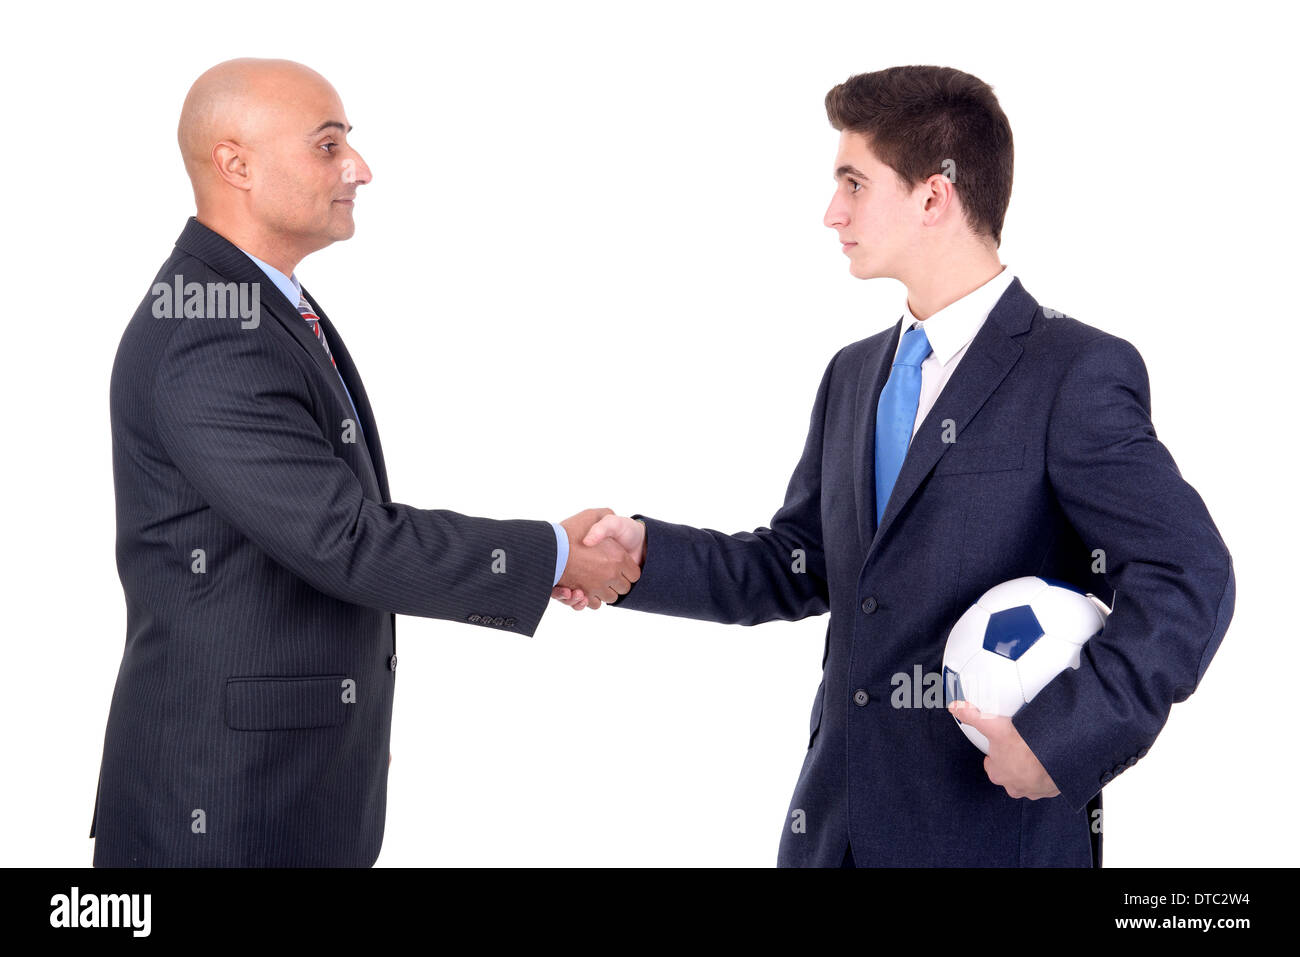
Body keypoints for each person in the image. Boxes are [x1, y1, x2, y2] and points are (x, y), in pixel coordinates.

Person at [553, 65, 1235, 867]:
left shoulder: (1072, 372)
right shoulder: (854, 373)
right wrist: (646, 553)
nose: (830, 212)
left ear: (933, 196)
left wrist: (1062, 738)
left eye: (853, 182)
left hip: (987, 834)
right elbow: (798, 563)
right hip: (834, 829)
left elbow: (1189, 571)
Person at [91, 58, 639, 867]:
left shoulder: (261, 305)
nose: (361, 168)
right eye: (327, 145)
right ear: (235, 164)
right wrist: (555, 553)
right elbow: (346, 540)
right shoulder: (206, 334)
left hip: (288, 794)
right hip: (220, 811)